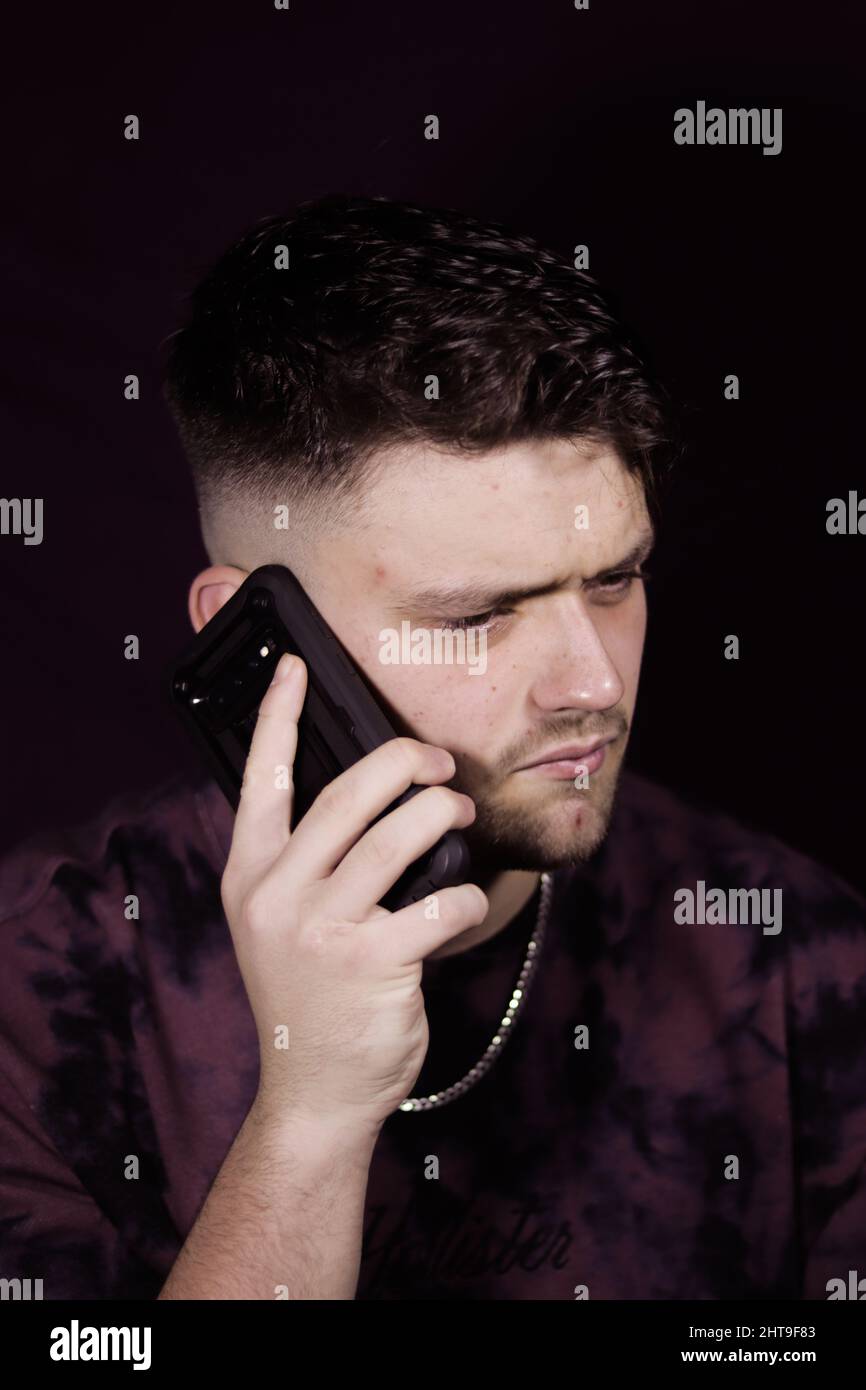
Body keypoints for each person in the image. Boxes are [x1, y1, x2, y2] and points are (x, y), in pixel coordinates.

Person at [1, 194, 863, 1301]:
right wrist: (308, 1117)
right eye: (473, 617)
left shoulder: (797, 962)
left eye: (612, 580)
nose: (592, 685)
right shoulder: (38, 1001)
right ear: (253, 636)